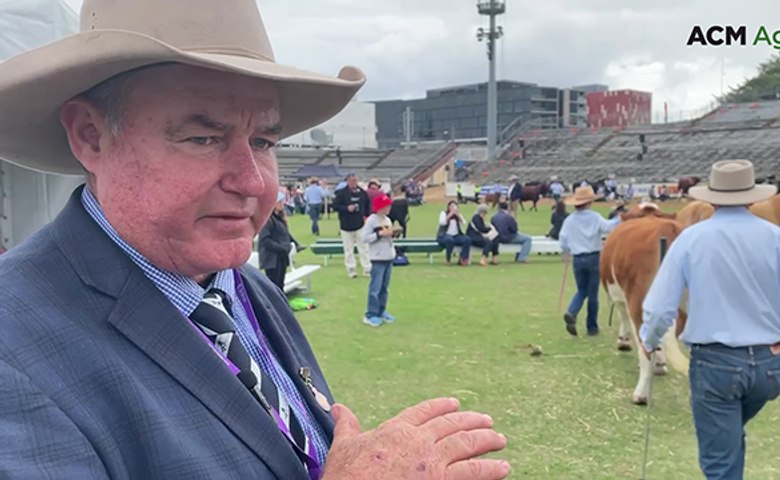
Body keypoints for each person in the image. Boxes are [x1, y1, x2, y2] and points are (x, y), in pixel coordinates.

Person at [0, 1, 509, 478]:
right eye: (203, 138)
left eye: (264, 141)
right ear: (91, 136)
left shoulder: (243, 286)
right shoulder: (13, 347)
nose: (254, 183)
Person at [641, 160, 780, 480]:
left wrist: (650, 338)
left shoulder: (691, 238)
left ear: (710, 198)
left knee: (719, 461)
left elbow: (659, 308)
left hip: (715, 364)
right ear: (753, 197)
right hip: (769, 364)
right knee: (729, 439)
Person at [558, 186, 620, 336]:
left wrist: (567, 250)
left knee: (581, 290)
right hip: (594, 257)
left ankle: (572, 311)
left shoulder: (569, 220)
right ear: (589, 203)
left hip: (577, 258)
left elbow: (563, 240)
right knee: (593, 294)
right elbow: (608, 227)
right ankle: (591, 327)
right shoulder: (595, 217)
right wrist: (620, 217)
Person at [361, 194, 397, 327]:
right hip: (377, 258)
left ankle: (381, 311)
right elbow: (364, 238)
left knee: (384, 288)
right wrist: (379, 234)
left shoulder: (387, 220)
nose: (389, 207)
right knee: (375, 288)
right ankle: (371, 314)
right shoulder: (372, 220)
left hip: (388, 256)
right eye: (387, 205)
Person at [332, 174, 372, 278]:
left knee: (364, 248)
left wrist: (366, 216)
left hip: (360, 225)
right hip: (346, 225)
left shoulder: (363, 193)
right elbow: (335, 206)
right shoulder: (341, 194)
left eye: (355, 180)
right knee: (348, 249)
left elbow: (367, 205)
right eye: (351, 181)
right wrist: (346, 208)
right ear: (347, 181)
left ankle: (367, 268)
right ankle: (351, 269)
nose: (354, 183)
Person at [258, 192, 296, 290]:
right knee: (274, 286)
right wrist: (282, 248)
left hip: (281, 257)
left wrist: (294, 243)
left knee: (280, 285)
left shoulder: (279, 219)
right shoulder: (267, 221)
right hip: (272, 259)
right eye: (279, 202)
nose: (282, 204)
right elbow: (265, 241)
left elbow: (285, 234)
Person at [437, 201, 472, 266]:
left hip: (456, 235)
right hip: (444, 235)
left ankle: (463, 258)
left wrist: (458, 215)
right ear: (448, 207)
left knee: (467, 239)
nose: (453, 208)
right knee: (450, 240)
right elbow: (442, 222)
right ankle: (448, 259)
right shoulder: (444, 213)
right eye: (451, 206)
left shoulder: (458, 214)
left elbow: (464, 223)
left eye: (454, 206)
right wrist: (450, 214)